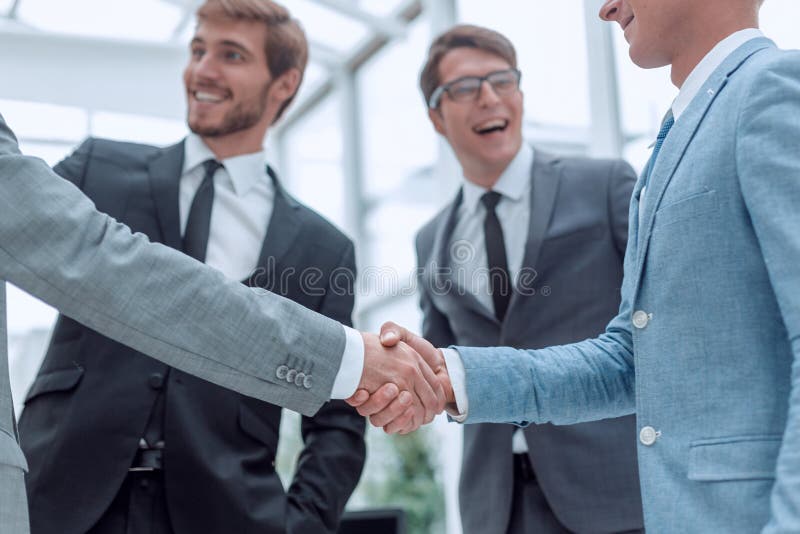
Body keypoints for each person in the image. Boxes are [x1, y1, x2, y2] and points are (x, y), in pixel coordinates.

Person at [354, 0, 800, 531]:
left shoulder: (769, 89)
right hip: (516, 502)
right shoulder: (674, 140)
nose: (606, 9)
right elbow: (631, 357)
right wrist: (449, 377)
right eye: (465, 89)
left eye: (501, 81)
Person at [17, 2, 365, 533]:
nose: (202, 70)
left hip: (227, 516)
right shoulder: (97, 170)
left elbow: (339, 420)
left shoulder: (322, 248)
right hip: (59, 501)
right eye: (198, 50)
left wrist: (300, 524)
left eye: (231, 55)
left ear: (284, 83)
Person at [414, 25, 641, 534]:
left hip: (613, 488)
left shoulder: (605, 185)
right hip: (497, 504)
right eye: (465, 88)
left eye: (502, 81)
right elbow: (437, 362)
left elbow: (655, 319)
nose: (489, 98)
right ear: (436, 116)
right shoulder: (430, 241)